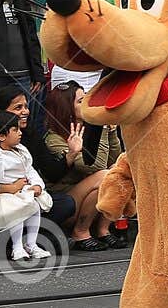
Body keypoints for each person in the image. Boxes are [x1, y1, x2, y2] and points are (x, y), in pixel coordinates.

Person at [39, 81, 120, 251]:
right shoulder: (54, 138)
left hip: (88, 196)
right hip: (65, 203)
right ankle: (80, 232)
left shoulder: (86, 129)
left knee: (119, 172)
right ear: (66, 108)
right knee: (105, 176)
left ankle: (102, 230)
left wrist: (111, 132)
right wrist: (103, 129)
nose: (87, 105)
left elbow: (113, 159)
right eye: (80, 102)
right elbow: (95, 167)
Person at [0, 108, 51, 261]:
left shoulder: (20, 150)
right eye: (15, 129)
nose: (20, 132)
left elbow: (30, 170)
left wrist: (38, 185)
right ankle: (17, 247)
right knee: (17, 210)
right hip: (4, 194)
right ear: (1, 135)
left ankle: (31, 244)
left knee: (34, 207)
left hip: (23, 191)